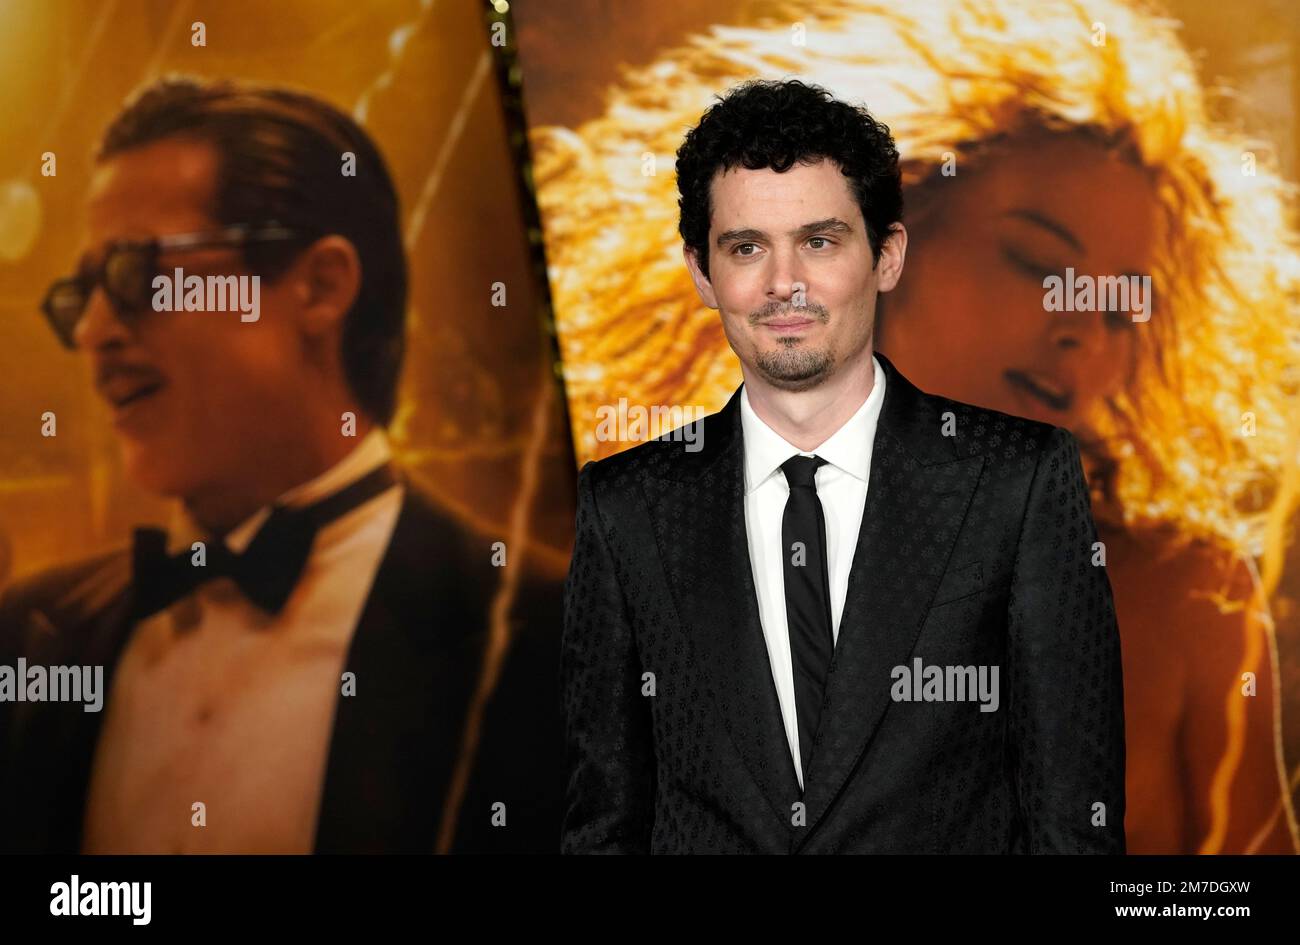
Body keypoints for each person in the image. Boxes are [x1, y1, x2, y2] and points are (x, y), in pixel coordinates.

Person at [533, 0, 1300, 854]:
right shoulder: (629, 509)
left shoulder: (1188, 598)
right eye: (1037, 262)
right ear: (906, 248)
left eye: (1124, 305)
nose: (1080, 319)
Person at [560, 79, 1125, 853]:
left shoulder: (1018, 482)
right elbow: (604, 825)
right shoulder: (624, 507)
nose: (783, 283)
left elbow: (1075, 826)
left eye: (819, 241)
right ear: (701, 271)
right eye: (746, 247)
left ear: (886, 255)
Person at [0, 76, 545, 853]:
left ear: (319, 286)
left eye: (134, 271)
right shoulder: (32, 631)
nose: (92, 330)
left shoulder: (552, 636)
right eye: (80, 292)